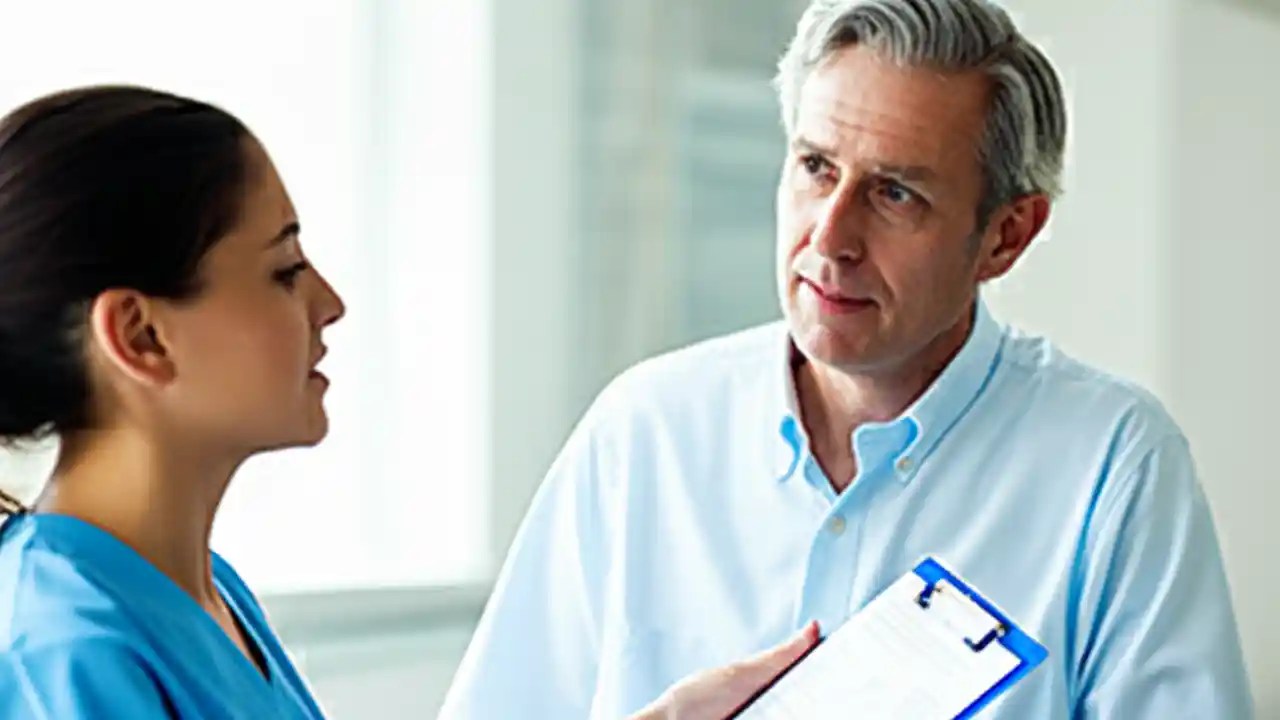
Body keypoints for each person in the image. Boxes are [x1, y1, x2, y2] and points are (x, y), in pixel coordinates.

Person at [441, 1, 1254, 718]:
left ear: (1006, 235)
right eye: (816, 167)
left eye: (895, 193)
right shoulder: (642, 434)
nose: (829, 238)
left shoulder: (1113, 466)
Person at [0, 86, 809, 719]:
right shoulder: (63, 652)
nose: (330, 302)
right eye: (284, 271)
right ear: (141, 335)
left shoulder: (200, 589)